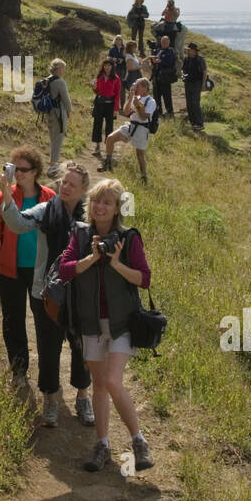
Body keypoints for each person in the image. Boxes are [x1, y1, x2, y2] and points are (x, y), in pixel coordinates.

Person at [57, 178, 154, 472]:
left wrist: (114, 263)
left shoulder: (129, 238)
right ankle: (102, 445)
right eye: (97, 201)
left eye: (107, 202)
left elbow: (144, 278)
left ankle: (139, 441)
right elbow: (64, 269)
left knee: (112, 381)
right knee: (98, 385)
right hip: (89, 324)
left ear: (116, 209)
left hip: (122, 324)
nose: (100, 207)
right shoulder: (80, 234)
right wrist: (92, 257)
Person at [0, 161, 94, 427]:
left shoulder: (92, 216)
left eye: (72, 184)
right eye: (64, 181)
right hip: (48, 292)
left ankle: (83, 397)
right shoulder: (47, 210)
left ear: (84, 189)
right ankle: (50, 398)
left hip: (82, 295)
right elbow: (18, 223)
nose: (66, 187)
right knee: (48, 348)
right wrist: (6, 195)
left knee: (81, 347)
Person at [0, 146, 56, 393]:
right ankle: (19, 371)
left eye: (23, 170)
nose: (18, 174)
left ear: (35, 171)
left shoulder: (49, 197)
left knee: (44, 323)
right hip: (9, 270)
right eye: (14, 169)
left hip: (41, 272)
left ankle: (49, 379)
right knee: (13, 321)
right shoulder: (5, 196)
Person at [99, 78, 155, 183]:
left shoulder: (150, 101)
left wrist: (137, 104)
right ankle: (108, 162)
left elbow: (143, 117)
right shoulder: (136, 97)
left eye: (137, 86)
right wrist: (130, 100)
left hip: (142, 128)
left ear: (144, 88)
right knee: (110, 138)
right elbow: (125, 112)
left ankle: (143, 176)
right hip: (131, 125)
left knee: (139, 154)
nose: (135, 87)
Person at [44, 58, 71, 177]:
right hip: (59, 114)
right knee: (58, 140)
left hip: (48, 113)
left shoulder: (46, 80)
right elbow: (66, 100)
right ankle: (53, 167)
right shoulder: (60, 82)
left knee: (53, 138)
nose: (64, 70)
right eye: (63, 68)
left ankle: (52, 163)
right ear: (59, 69)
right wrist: (69, 113)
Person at [89, 58, 121, 158]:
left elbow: (117, 94)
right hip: (99, 103)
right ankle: (97, 147)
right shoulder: (99, 77)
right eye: (105, 65)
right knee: (97, 124)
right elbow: (97, 91)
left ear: (112, 67)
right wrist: (94, 88)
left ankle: (108, 148)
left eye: (109, 65)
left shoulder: (116, 78)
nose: (107, 67)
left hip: (110, 104)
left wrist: (116, 109)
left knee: (109, 126)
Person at [147, 34, 177, 118]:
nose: (164, 43)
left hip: (165, 77)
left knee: (167, 96)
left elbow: (170, 63)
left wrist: (159, 61)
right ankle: (158, 113)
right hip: (157, 77)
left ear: (169, 42)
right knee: (156, 96)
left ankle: (170, 113)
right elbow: (154, 61)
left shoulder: (171, 51)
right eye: (163, 42)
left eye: (166, 42)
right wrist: (152, 63)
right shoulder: (159, 50)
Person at [181, 42, 208, 131]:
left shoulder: (200, 60)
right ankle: (193, 123)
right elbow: (183, 70)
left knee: (195, 103)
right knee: (189, 104)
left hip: (197, 83)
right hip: (188, 83)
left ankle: (200, 123)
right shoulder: (186, 59)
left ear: (194, 51)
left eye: (189, 50)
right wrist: (183, 75)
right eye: (187, 50)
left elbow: (204, 72)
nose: (187, 51)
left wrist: (203, 84)